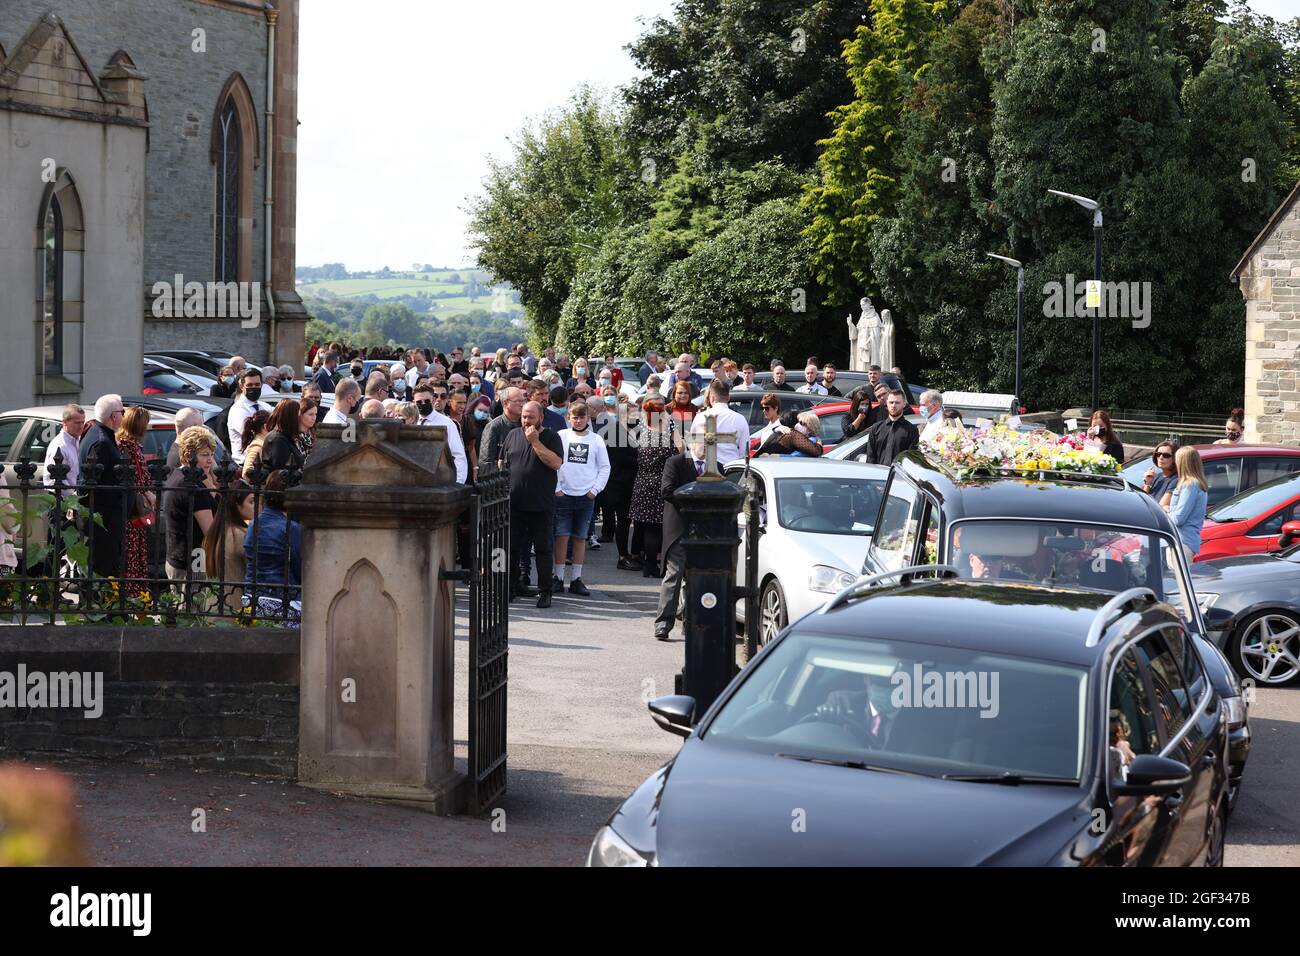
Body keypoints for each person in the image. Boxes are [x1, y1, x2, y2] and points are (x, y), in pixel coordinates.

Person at [505, 401, 564, 607]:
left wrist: (535, 442)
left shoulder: (551, 437)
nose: (526, 421)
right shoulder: (512, 435)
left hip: (541, 505)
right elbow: (503, 462)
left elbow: (556, 463)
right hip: (515, 503)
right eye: (523, 416)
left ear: (541, 418)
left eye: (530, 417)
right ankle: (511, 586)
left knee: (543, 549)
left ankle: (545, 591)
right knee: (511, 548)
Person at [550, 401, 610, 596]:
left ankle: (576, 578)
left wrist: (595, 490)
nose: (577, 420)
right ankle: (557, 577)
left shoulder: (596, 440)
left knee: (580, 538)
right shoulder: (561, 436)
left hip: (586, 496)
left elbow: (604, 467)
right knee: (561, 537)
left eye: (581, 417)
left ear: (587, 418)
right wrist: (557, 488)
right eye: (574, 417)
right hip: (563, 494)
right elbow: (554, 463)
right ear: (568, 417)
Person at [654, 429, 707, 641]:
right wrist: (693, 502)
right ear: (691, 444)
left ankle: (692, 624)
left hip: (705, 534)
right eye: (703, 443)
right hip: (680, 530)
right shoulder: (675, 463)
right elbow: (666, 490)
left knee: (698, 580)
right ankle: (663, 624)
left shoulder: (717, 467)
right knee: (674, 576)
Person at [79, 394, 132, 578]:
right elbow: (91, 486)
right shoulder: (101, 441)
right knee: (102, 569)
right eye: (122, 412)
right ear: (113, 416)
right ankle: (97, 603)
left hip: (105, 519)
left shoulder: (98, 434)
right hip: (103, 521)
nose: (124, 416)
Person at [243, 470, 302, 623]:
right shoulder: (291, 528)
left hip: (251, 599)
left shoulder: (253, 524)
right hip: (283, 601)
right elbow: (301, 567)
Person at [163, 425, 217, 587]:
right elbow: (211, 530)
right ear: (188, 456)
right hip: (193, 561)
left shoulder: (178, 475)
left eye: (212, 455)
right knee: (194, 609)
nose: (210, 460)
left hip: (177, 557)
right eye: (204, 455)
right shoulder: (192, 486)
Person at [115, 406, 155, 596]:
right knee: (133, 553)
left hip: (132, 510)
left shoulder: (125, 444)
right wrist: (148, 493)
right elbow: (140, 478)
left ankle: (134, 593)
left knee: (135, 552)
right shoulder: (128, 446)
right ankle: (133, 594)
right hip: (133, 511)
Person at [203, 479, 253, 616]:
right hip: (234, 608)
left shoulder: (215, 532)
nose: (256, 507)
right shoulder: (240, 535)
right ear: (237, 505)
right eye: (251, 502)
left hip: (212, 606)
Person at [413, 383, 467, 483]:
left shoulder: (447, 423)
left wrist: (458, 482)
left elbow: (458, 455)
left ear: (433, 400)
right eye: (419, 402)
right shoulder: (412, 422)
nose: (423, 404)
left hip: (440, 478)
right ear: (414, 402)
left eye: (427, 401)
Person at [691, 379, 749, 465]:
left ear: (712, 397)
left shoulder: (700, 417)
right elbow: (744, 450)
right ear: (728, 397)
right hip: (731, 468)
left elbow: (692, 444)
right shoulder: (740, 419)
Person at [1166, 446, 1208, 561]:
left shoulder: (1190, 485)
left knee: (1175, 578)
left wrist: (1166, 512)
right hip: (1183, 541)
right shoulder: (1193, 483)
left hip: (1182, 542)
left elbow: (1179, 518)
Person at [859, 390, 920, 466]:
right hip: (876, 474)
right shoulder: (876, 428)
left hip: (897, 476)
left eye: (897, 402)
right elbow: (870, 457)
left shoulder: (912, 430)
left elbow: (910, 460)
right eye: (891, 402)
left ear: (904, 404)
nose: (894, 406)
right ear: (887, 404)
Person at [228, 368, 270, 465]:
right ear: (242, 386)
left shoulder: (265, 406)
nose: (254, 388)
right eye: (250, 385)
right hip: (245, 462)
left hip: (264, 459)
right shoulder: (237, 410)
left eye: (257, 385)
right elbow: (251, 434)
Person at [479, 385, 526, 471]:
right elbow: (486, 461)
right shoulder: (494, 427)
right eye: (518, 401)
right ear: (505, 403)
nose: (522, 404)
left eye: (523, 401)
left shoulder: (526, 424)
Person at [44, 403, 85, 490]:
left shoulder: (79, 440)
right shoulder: (59, 446)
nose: (81, 426)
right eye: (77, 423)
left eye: (83, 422)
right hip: (65, 500)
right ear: (65, 422)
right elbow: (53, 481)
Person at [755, 409, 823, 457]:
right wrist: (776, 428)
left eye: (801, 423)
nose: (797, 424)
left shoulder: (811, 440)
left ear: (810, 428)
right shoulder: (789, 432)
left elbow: (798, 456)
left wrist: (775, 456)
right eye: (797, 422)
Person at [260, 401, 305, 473]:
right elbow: (281, 472)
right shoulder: (278, 439)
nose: (301, 419)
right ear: (291, 418)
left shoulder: (286, 437)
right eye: (298, 416)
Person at [1140, 440, 1180, 507]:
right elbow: (1140, 501)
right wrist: (1147, 484)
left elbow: (1160, 508)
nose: (1161, 457)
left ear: (1175, 458)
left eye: (1166, 455)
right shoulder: (1156, 476)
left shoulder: (1176, 480)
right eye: (1158, 454)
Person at [238, 410, 273, 479]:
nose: (276, 428)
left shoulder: (264, 442)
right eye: (273, 425)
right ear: (266, 427)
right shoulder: (258, 446)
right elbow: (246, 473)